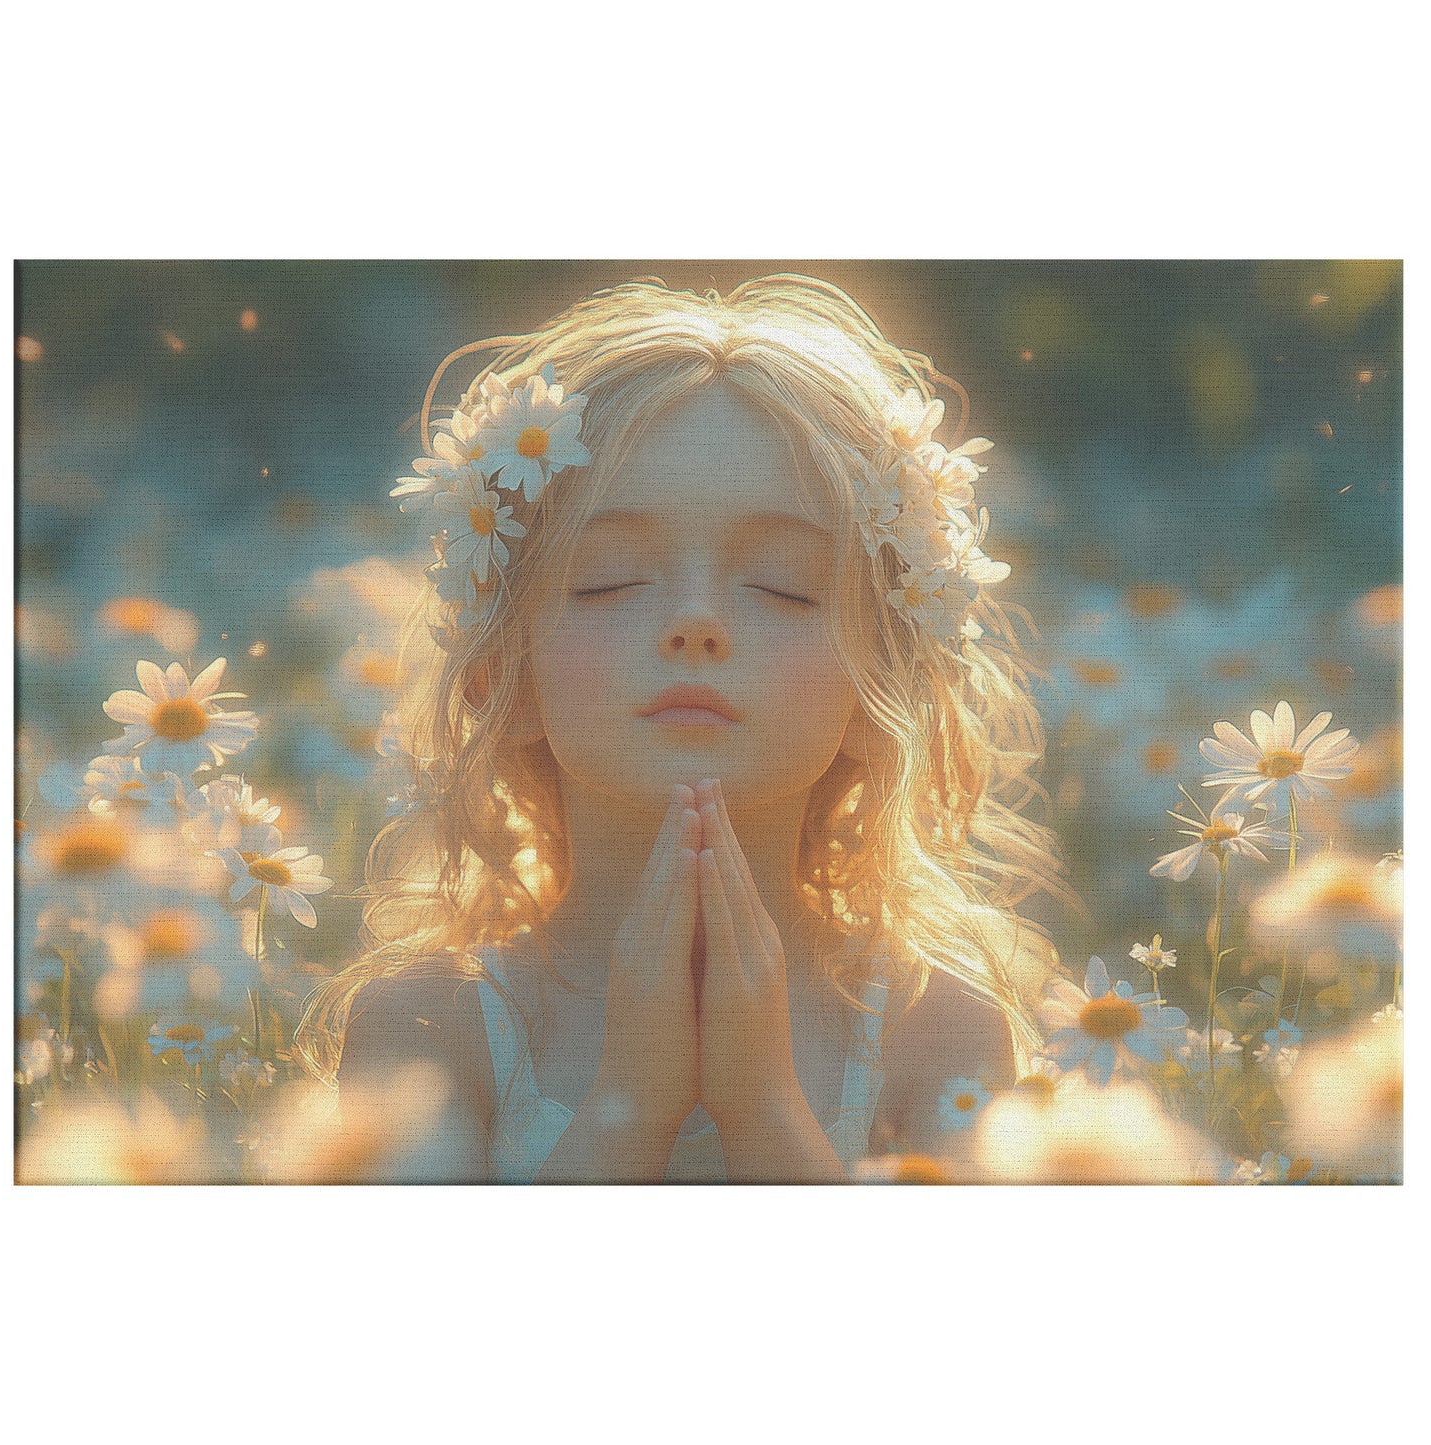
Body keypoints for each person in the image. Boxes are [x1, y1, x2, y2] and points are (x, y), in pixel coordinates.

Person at [296, 274, 1070, 1183]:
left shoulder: (936, 1029)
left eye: (782, 583)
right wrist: (630, 1096)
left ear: (878, 688)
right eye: (611, 578)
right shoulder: (427, 1026)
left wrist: (762, 1108)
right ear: (503, 675)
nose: (695, 621)